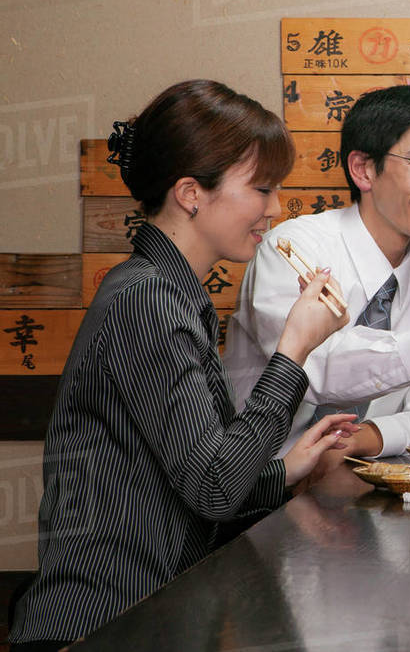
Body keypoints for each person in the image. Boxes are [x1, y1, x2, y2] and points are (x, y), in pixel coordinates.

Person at [9, 80, 351, 651]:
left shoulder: (168, 290)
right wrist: (294, 348)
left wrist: (287, 469)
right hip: (103, 626)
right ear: (192, 192)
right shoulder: (144, 298)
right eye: (261, 189)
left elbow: (195, 478)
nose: (274, 208)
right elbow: (214, 489)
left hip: (157, 616)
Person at [224, 85, 410, 469]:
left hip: (379, 471)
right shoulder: (293, 249)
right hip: (259, 480)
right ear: (363, 169)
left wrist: (365, 439)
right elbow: (315, 370)